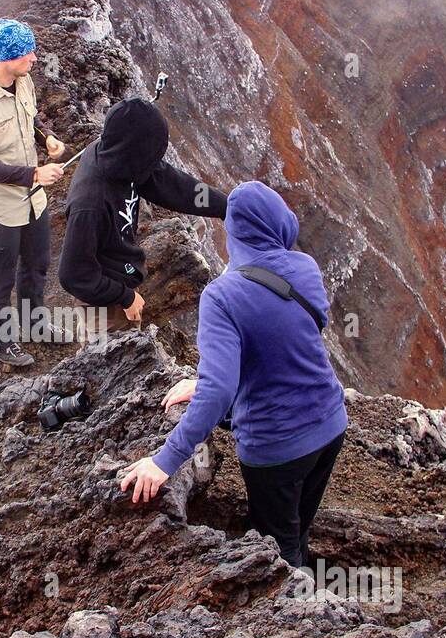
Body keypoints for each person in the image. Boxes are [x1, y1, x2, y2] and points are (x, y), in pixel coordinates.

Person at [119, 182, 349, 570]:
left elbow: (221, 389)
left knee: (277, 549)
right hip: (330, 426)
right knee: (297, 526)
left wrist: (162, 462)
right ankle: (305, 574)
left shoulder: (222, 296)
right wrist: (206, 382)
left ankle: (299, 612)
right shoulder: (305, 268)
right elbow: (290, 336)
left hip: (277, 448)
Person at [58, 97, 227, 334]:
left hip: (120, 274)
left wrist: (225, 207)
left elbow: (173, 185)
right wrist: (125, 297)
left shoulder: (120, 158)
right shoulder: (89, 205)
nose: (155, 164)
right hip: (102, 307)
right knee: (106, 363)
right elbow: (73, 275)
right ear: (135, 152)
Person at [0, 19, 68, 367]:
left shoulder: (23, 81)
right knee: (0, 277)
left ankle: (35, 325)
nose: (34, 58)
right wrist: (34, 172)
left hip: (32, 201)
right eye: (27, 53)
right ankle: (0, 342)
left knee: (36, 265)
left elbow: (30, 118)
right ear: (8, 57)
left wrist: (45, 136)